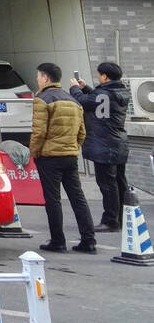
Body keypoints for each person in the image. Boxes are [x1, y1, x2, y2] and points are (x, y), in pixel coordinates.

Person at [30, 62, 96, 253]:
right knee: (78, 198)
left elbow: (39, 132)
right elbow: (82, 132)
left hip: (49, 157)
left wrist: (33, 152)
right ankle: (89, 240)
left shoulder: (42, 100)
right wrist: (73, 147)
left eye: (38, 76)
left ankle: (58, 241)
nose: (37, 79)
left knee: (53, 199)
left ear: (45, 78)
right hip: (70, 155)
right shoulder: (73, 100)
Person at [70, 62, 131, 231]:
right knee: (119, 182)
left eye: (99, 75)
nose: (98, 77)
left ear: (104, 76)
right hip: (119, 144)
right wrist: (86, 88)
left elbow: (82, 101)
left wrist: (75, 88)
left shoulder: (103, 94)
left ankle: (110, 221)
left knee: (107, 184)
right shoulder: (121, 92)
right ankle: (122, 218)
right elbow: (100, 101)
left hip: (104, 145)